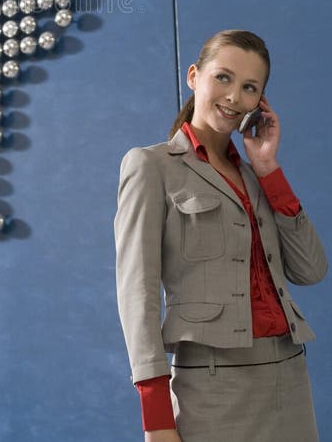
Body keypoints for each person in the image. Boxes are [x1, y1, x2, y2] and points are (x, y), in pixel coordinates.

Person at [113, 29, 328, 442]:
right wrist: (156, 418)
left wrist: (268, 169)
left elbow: (311, 270)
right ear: (195, 76)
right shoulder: (150, 166)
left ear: (259, 102)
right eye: (223, 78)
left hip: (290, 375)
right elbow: (135, 294)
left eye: (250, 87)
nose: (234, 97)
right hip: (212, 386)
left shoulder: (254, 175)